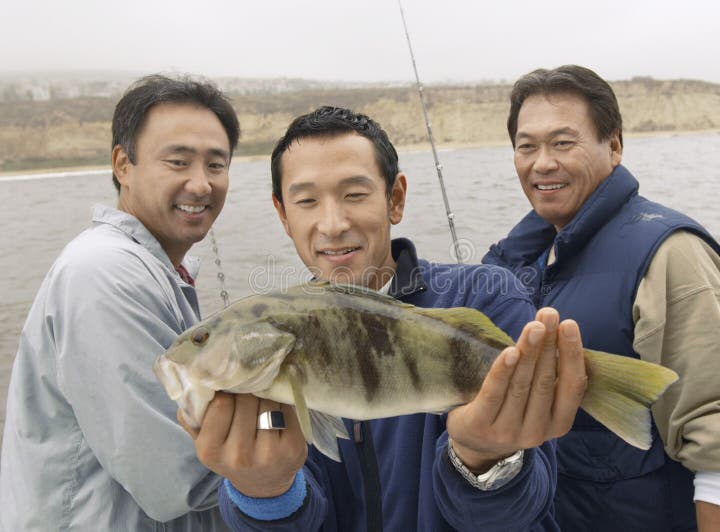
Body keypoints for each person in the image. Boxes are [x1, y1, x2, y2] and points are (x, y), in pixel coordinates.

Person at [179, 106, 589, 531]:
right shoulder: (264, 366)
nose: (333, 224)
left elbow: (524, 511)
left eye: (355, 194)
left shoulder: (488, 296)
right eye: (306, 201)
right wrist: (264, 489)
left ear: (395, 199)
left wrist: (484, 458)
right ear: (283, 215)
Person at [483, 65, 720, 532]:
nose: (542, 163)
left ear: (613, 146)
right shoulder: (524, 257)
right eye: (526, 146)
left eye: (563, 143)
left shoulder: (672, 255)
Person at [0, 74, 240, 530]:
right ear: (122, 165)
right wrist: (286, 426)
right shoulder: (104, 274)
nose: (201, 184)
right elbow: (178, 476)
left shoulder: (153, 271)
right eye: (177, 161)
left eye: (216, 164)